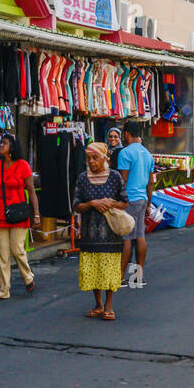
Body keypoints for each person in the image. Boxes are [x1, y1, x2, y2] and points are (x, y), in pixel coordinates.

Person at [0, 133, 40, 300]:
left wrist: (37, 215)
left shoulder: (23, 166)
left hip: (18, 213)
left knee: (17, 249)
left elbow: (31, 191)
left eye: (4, 143)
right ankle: (4, 290)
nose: (0, 145)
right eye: (0, 143)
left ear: (12, 147)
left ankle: (28, 276)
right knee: (2, 253)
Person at [72, 142, 128, 320]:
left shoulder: (115, 177)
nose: (91, 161)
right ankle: (98, 304)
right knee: (93, 271)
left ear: (104, 158)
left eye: (95, 157)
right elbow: (76, 205)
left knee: (109, 271)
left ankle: (109, 305)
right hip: (89, 234)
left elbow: (125, 202)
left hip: (110, 234)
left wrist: (109, 202)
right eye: (88, 158)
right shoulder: (82, 178)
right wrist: (91, 204)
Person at [115, 119, 156, 285]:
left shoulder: (125, 153)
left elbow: (122, 180)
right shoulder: (147, 154)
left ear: (125, 134)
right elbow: (151, 182)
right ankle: (138, 276)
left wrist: (118, 200)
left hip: (129, 199)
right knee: (140, 236)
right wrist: (148, 203)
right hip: (142, 199)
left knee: (126, 237)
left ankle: (121, 276)